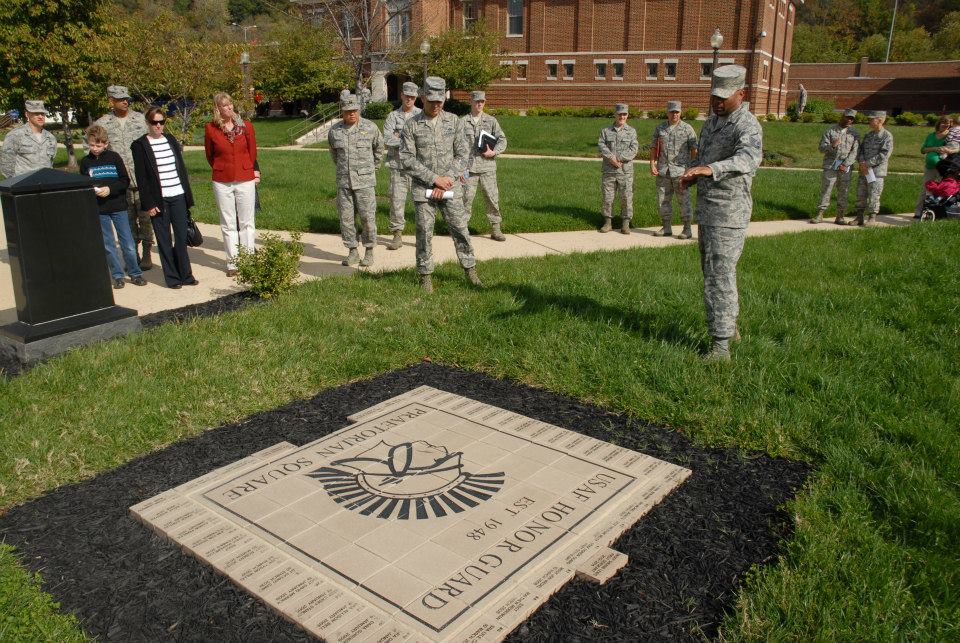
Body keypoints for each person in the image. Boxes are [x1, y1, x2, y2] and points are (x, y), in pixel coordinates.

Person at [679, 65, 762, 361]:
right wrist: (693, 174)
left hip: (729, 214)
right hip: (709, 212)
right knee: (713, 274)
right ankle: (730, 328)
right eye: (714, 96)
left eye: (724, 97)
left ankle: (720, 346)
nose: (717, 102)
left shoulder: (747, 125)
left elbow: (749, 158)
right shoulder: (713, 122)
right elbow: (702, 158)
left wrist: (711, 169)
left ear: (742, 94)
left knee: (720, 277)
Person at [399, 76, 481, 293]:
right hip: (423, 189)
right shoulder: (411, 125)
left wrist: (447, 181)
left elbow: (463, 155)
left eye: (439, 101)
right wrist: (434, 179)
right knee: (424, 232)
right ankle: (425, 275)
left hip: (450, 187)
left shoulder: (454, 121)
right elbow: (407, 159)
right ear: (423, 97)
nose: (435, 105)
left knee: (460, 228)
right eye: (431, 101)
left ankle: (470, 269)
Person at [131, 107, 198, 289]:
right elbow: (142, 177)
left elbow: (181, 169)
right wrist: (149, 203)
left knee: (181, 237)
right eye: (155, 122)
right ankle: (173, 278)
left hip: (178, 195)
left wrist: (186, 197)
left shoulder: (171, 140)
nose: (158, 126)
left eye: (162, 122)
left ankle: (186, 274)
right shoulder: (140, 145)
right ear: (148, 123)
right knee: (164, 240)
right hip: (158, 200)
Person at [80, 125, 147, 289]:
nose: (95, 149)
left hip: (118, 207)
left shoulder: (114, 157)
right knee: (108, 245)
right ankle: (117, 275)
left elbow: (124, 180)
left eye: (99, 145)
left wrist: (110, 189)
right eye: (92, 145)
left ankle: (135, 272)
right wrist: (92, 190)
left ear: (106, 143)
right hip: (99, 209)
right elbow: (82, 184)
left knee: (128, 243)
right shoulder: (85, 162)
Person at [95, 85, 153, 270]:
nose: (125, 101)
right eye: (120, 99)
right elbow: (95, 150)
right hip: (119, 182)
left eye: (127, 98)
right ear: (111, 101)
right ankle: (132, 254)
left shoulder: (140, 119)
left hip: (141, 178)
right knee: (127, 220)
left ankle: (146, 252)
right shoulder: (102, 124)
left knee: (145, 217)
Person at [204, 92, 259, 276]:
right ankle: (233, 263)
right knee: (228, 222)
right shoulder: (211, 128)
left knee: (247, 221)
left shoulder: (246, 126)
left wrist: (246, 169)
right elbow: (210, 155)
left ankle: (249, 260)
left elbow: (252, 153)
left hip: (245, 177)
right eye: (225, 105)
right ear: (217, 109)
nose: (229, 108)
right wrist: (222, 168)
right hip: (222, 179)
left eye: (230, 104)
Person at [328, 92, 385, 267]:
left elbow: (379, 150)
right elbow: (335, 155)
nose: (351, 113)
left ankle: (369, 251)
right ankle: (352, 251)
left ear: (359, 110)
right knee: (346, 218)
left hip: (365, 183)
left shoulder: (370, 128)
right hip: (344, 182)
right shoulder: (335, 131)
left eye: (354, 110)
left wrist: (371, 169)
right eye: (347, 111)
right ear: (342, 112)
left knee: (368, 218)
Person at [460, 90, 508, 241]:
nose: (480, 104)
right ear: (471, 102)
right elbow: (455, 144)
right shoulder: (462, 122)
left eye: (482, 101)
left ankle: (496, 228)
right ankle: (462, 229)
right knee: (466, 199)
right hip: (468, 168)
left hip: (487, 167)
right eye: (477, 101)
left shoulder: (491, 121)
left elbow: (502, 140)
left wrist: (494, 152)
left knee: (492, 198)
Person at [650, 100, 698, 239]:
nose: (674, 114)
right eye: (672, 112)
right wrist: (652, 164)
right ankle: (666, 227)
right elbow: (654, 147)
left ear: (680, 113)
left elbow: (694, 149)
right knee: (663, 200)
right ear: (667, 112)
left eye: (677, 112)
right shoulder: (660, 128)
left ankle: (687, 229)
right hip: (663, 171)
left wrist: (691, 168)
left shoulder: (687, 129)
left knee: (684, 201)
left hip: (681, 172)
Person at [382, 81, 422, 250]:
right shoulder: (393, 116)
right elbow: (386, 139)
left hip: (418, 169)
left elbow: (426, 141)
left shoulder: (421, 115)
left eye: (412, 97)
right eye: (407, 96)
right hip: (397, 167)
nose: (409, 99)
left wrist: (400, 138)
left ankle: (422, 236)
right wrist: (409, 141)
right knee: (396, 202)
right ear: (402, 95)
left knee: (422, 203)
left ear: (416, 98)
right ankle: (397, 234)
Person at [812, 108, 860, 225]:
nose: (849, 120)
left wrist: (846, 164)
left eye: (852, 119)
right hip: (830, 165)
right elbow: (821, 148)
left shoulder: (854, 134)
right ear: (842, 116)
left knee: (843, 191)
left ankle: (840, 216)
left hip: (845, 167)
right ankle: (820, 214)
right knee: (826, 189)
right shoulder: (831, 131)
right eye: (848, 117)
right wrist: (832, 146)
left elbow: (855, 152)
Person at [598, 104, 638, 235]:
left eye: (624, 114)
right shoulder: (606, 131)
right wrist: (611, 158)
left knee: (626, 197)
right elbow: (601, 145)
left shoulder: (631, 131)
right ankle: (607, 222)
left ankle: (625, 223)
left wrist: (619, 158)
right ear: (614, 115)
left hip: (625, 172)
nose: (622, 117)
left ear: (627, 115)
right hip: (609, 171)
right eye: (620, 114)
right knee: (608, 197)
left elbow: (634, 149)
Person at [850, 111, 893, 227]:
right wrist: (862, 162)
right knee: (861, 194)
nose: (869, 121)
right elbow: (862, 150)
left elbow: (884, 154)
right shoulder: (869, 135)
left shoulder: (886, 136)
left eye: (871, 119)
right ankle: (859, 217)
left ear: (880, 120)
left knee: (874, 194)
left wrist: (867, 163)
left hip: (876, 172)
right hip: (864, 170)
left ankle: (872, 218)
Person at [0, 100, 56, 179]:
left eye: (42, 114)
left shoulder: (50, 138)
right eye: (36, 114)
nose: (40, 116)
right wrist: (14, 183)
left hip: (46, 184)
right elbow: (6, 164)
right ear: (27, 114)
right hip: (23, 186)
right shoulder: (15, 135)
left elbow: (51, 162)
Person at [915, 116, 953, 219]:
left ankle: (937, 212)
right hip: (929, 167)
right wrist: (934, 149)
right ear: (938, 124)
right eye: (943, 123)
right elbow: (923, 150)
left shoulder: (950, 136)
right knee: (925, 189)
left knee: (941, 190)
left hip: (943, 168)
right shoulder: (931, 135)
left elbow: (954, 148)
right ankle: (919, 211)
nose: (945, 125)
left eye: (948, 124)